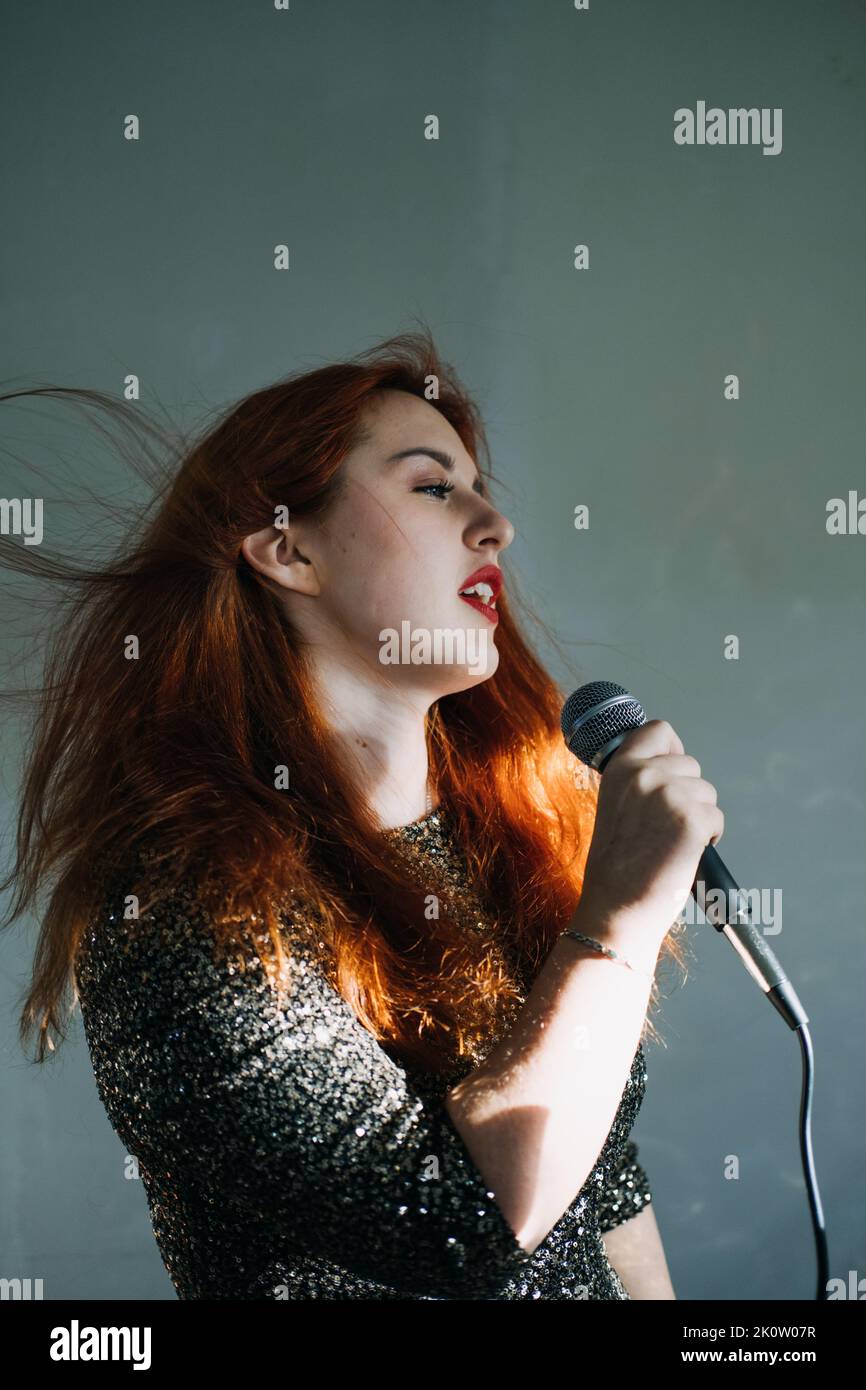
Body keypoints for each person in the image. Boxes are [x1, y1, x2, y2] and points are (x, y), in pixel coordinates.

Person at [2, 329, 722, 1299]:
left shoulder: (498, 830)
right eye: (432, 487)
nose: (492, 526)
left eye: (480, 489)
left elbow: (600, 1175)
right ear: (287, 547)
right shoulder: (187, 907)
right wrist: (617, 926)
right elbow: (455, 1228)